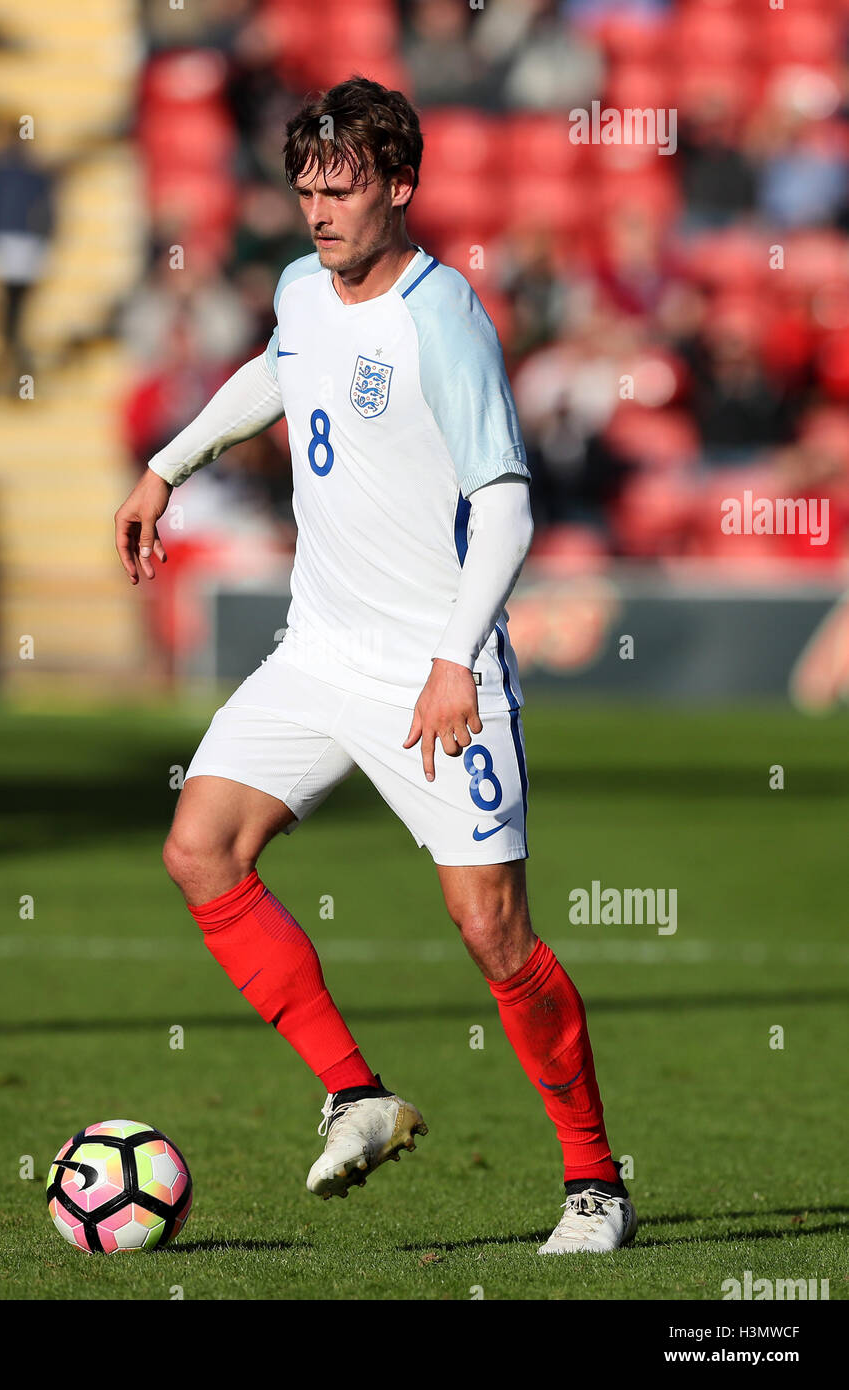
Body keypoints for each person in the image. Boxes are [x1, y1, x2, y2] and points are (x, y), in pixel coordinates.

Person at [114, 77, 636, 1254]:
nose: (317, 213)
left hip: (434, 671)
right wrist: (167, 465)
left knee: (491, 928)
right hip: (319, 651)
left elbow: (504, 504)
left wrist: (455, 659)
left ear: (401, 187)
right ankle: (356, 1095)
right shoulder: (304, 286)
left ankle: (596, 1184)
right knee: (200, 850)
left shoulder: (440, 317)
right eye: (305, 189)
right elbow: (277, 369)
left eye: (340, 190)